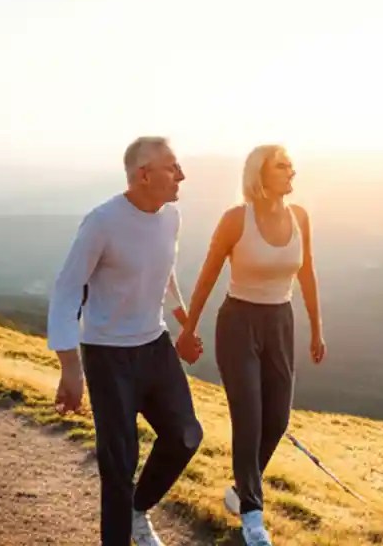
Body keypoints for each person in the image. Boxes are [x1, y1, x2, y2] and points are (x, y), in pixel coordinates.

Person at [48, 136, 204, 546]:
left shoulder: (171, 217)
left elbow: (163, 273)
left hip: (155, 345)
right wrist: (70, 368)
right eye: (172, 167)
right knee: (119, 464)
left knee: (185, 435)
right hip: (108, 356)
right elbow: (66, 290)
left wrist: (185, 325)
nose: (182, 175)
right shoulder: (102, 222)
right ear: (144, 174)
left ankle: (138, 509)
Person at [177, 144, 326, 546]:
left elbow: (307, 273)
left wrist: (316, 328)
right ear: (259, 174)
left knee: (277, 420)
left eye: (291, 164)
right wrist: (189, 329)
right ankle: (252, 517)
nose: (292, 171)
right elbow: (208, 275)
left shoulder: (300, 216)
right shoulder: (235, 219)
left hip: (281, 322)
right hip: (238, 324)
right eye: (282, 165)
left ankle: (241, 489)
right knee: (249, 419)